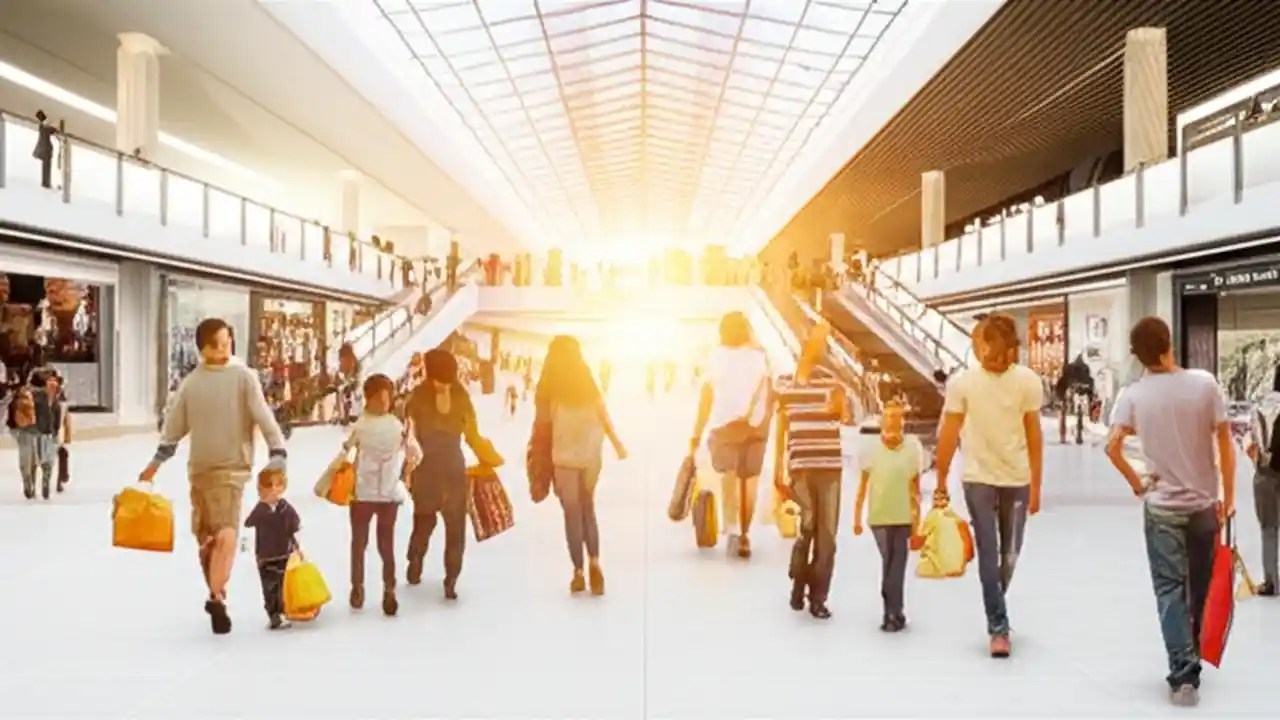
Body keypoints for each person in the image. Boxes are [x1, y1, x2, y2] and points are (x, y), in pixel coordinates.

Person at [1105, 317, 1235, 707]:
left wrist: (1137, 482)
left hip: (1161, 508)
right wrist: (1228, 498)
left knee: (1169, 590)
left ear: (1139, 355)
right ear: (1169, 345)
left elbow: (1111, 446)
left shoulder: (1133, 396)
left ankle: (1183, 675)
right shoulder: (1204, 384)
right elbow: (1225, 442)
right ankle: (1190, 654)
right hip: (1202, 506)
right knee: (1199, 586)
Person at [138, 317, 288, 635]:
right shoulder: (192, 383)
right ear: (202, 348)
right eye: (216, 344)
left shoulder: (242, 377)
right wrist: (155, 463)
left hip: (232, 470)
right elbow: (174, 428)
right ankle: (217, 595)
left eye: (226, 341)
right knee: (208, 539)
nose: (223, 348)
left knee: (227, 533)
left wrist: (278, 451)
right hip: (200, 472)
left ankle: (216, 595)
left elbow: (262, 413)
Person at [934, 313, 1043, 658]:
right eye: (987, 351)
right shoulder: (962, 384)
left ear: (1012, 350)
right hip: (978, 479)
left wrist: (1037, 485)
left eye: (1001, 354)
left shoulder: (1027, 381)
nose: (993, 360)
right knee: (988, 550)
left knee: (1010, 554)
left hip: (1017, 479)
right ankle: (998, 626)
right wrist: (940, 477)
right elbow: (949, 432)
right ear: (979, 346)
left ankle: (995, 599)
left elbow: (1034, 435)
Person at [404, 349, 501, 600]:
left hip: (426, 470)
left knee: (423, 521)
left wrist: (406, 473)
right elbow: (473, 437)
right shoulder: (462, 399)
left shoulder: (417, 398)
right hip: (453, 468)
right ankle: (451, 579)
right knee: (455, 527)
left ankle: (415, 561)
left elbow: (409, 438)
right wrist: (490, 458)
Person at [535, 335, 626, 595]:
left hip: (563, 455)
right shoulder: (587, 381)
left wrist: (537, 457)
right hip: (590, 455)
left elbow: (542, 426)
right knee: (589, 507)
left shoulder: (548, 387)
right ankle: (595, 561)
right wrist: (617, 444)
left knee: (571, 513)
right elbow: (603, 414)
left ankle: (578, 572)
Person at [777, 323, 847, 619]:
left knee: (827, 537)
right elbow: (781, 428)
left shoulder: (834, 384)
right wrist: (777, 470)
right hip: (801, 468)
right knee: (807, 527)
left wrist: (840, 405)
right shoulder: (783, 383)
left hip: (829, 467)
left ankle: (818, 598)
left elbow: (843, 415)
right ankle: (799, 580)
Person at [690, 311, 773, 558]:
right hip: (755, 426)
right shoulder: (759, 357)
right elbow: (769, 393)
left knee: (729, 475)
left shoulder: (715, 357)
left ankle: (733, 528)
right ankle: (746, 534)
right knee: (750, 480)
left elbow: (707, 396)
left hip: (724, 426)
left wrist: (696, 431)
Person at [344, 374, 413, 616]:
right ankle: (388, 589)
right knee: (386, 545)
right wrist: (405, 471)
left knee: (359, 544)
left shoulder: (360, 425)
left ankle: (359, 588)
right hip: (386, 494)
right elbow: (415, 453)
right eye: (381, 398)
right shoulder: (398, 426)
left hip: (364, 493)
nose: (384, 402)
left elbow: (347, 451)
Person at [853, 400, 923, 632]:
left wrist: (918, 524)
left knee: (897, 565)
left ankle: (893, 612)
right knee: (890, 562)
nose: (892, 422)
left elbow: (916, 491)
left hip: (903, 516)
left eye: (897, 417)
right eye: (888, 417)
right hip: (879, 517)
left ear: (903, 422)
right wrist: (856, 517)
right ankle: (893, 610)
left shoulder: (913, 448)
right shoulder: (871, 450)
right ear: (881, 421)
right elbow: (863, 486)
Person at [244, 468, 301, 630]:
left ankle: (282, 612)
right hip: (265, 555)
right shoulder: (260, 509)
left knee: (282, 585)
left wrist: (297, 547)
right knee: (269, 587)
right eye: (269, 487)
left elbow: (294, 526)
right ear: (261, 490)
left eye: (278, 486)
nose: (274, 490)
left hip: (283, 553)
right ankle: (273, 614)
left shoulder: (284, 507)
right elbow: (248, 524)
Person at [1245, 364, 1280, 597]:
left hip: (1266, 474)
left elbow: (1250, 445)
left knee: (1269, 529)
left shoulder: (1261, 406)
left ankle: (1272, 582)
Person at [1055, 354, 1095, 443]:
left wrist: (1061, 397)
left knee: (1066, 414)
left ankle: (1064, 436)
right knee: (1078, 414)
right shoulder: (1085, 369)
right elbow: (1090, 386)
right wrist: (1091, 398)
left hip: (1072, 392)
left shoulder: (1069, 369)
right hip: (1080, 392)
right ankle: (1076, 434)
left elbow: (1061, 384)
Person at [33, 110, 55, 189]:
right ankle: (46, 183)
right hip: (46, 150)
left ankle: (45, 182)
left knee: (45, 167)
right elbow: (51, 131)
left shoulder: (41, 126)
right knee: (47, 167)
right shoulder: (45, 124)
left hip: (44, 149)